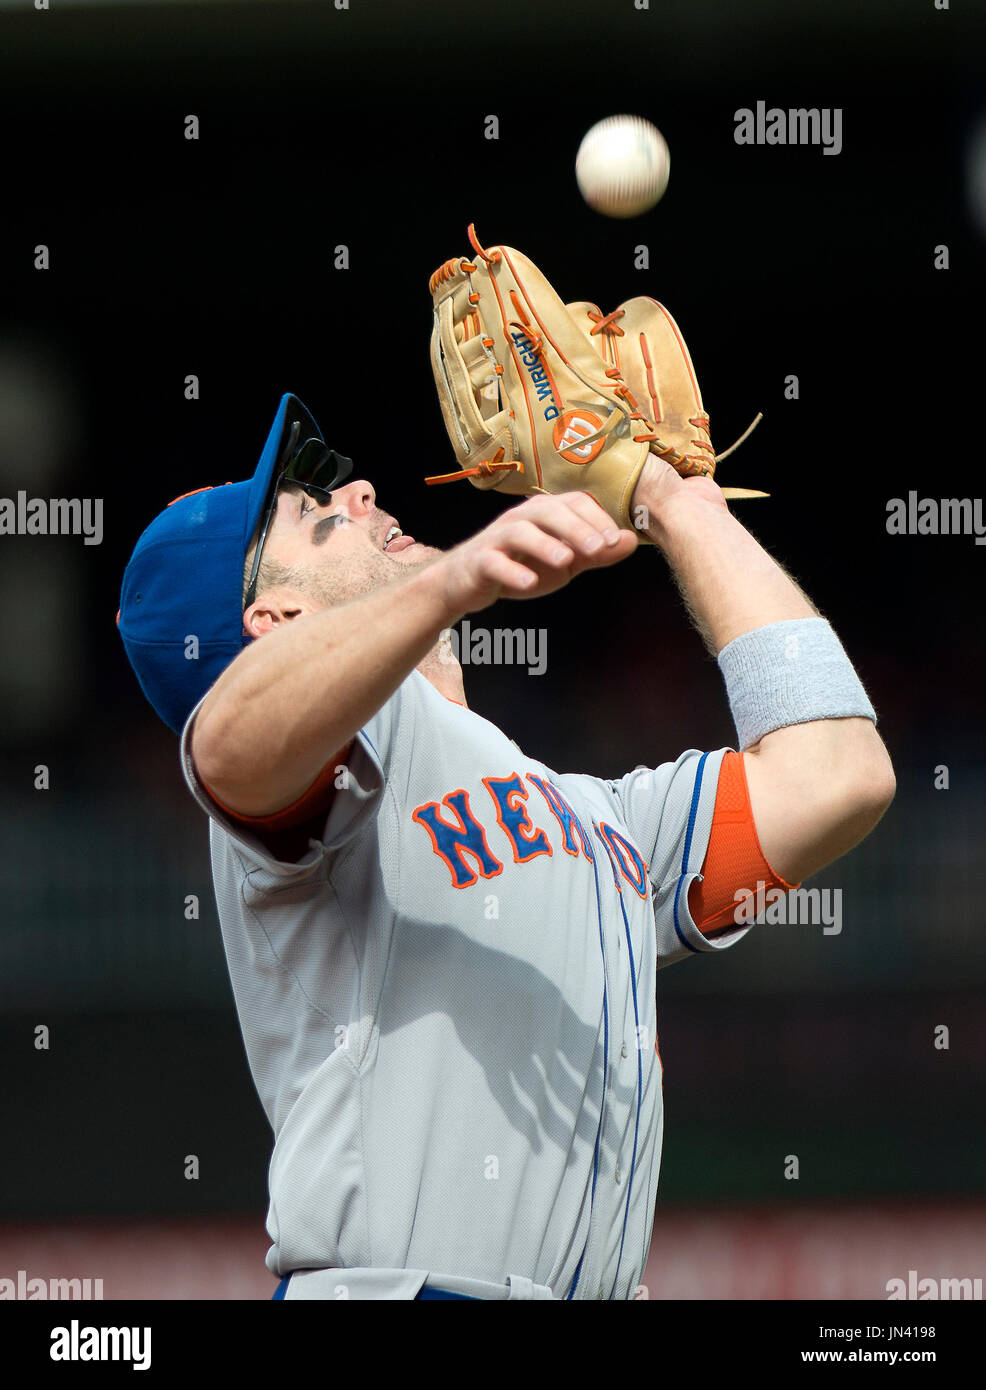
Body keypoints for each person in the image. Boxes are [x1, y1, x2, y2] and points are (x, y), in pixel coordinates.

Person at [118, 392, 894, 1300]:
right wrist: (453, 581)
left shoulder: (598, 821)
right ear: (276, 622)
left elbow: (840, 773)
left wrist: (683, 507)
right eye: (311, 512)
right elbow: (227, 747)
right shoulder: (323, 790)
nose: (360, 491)